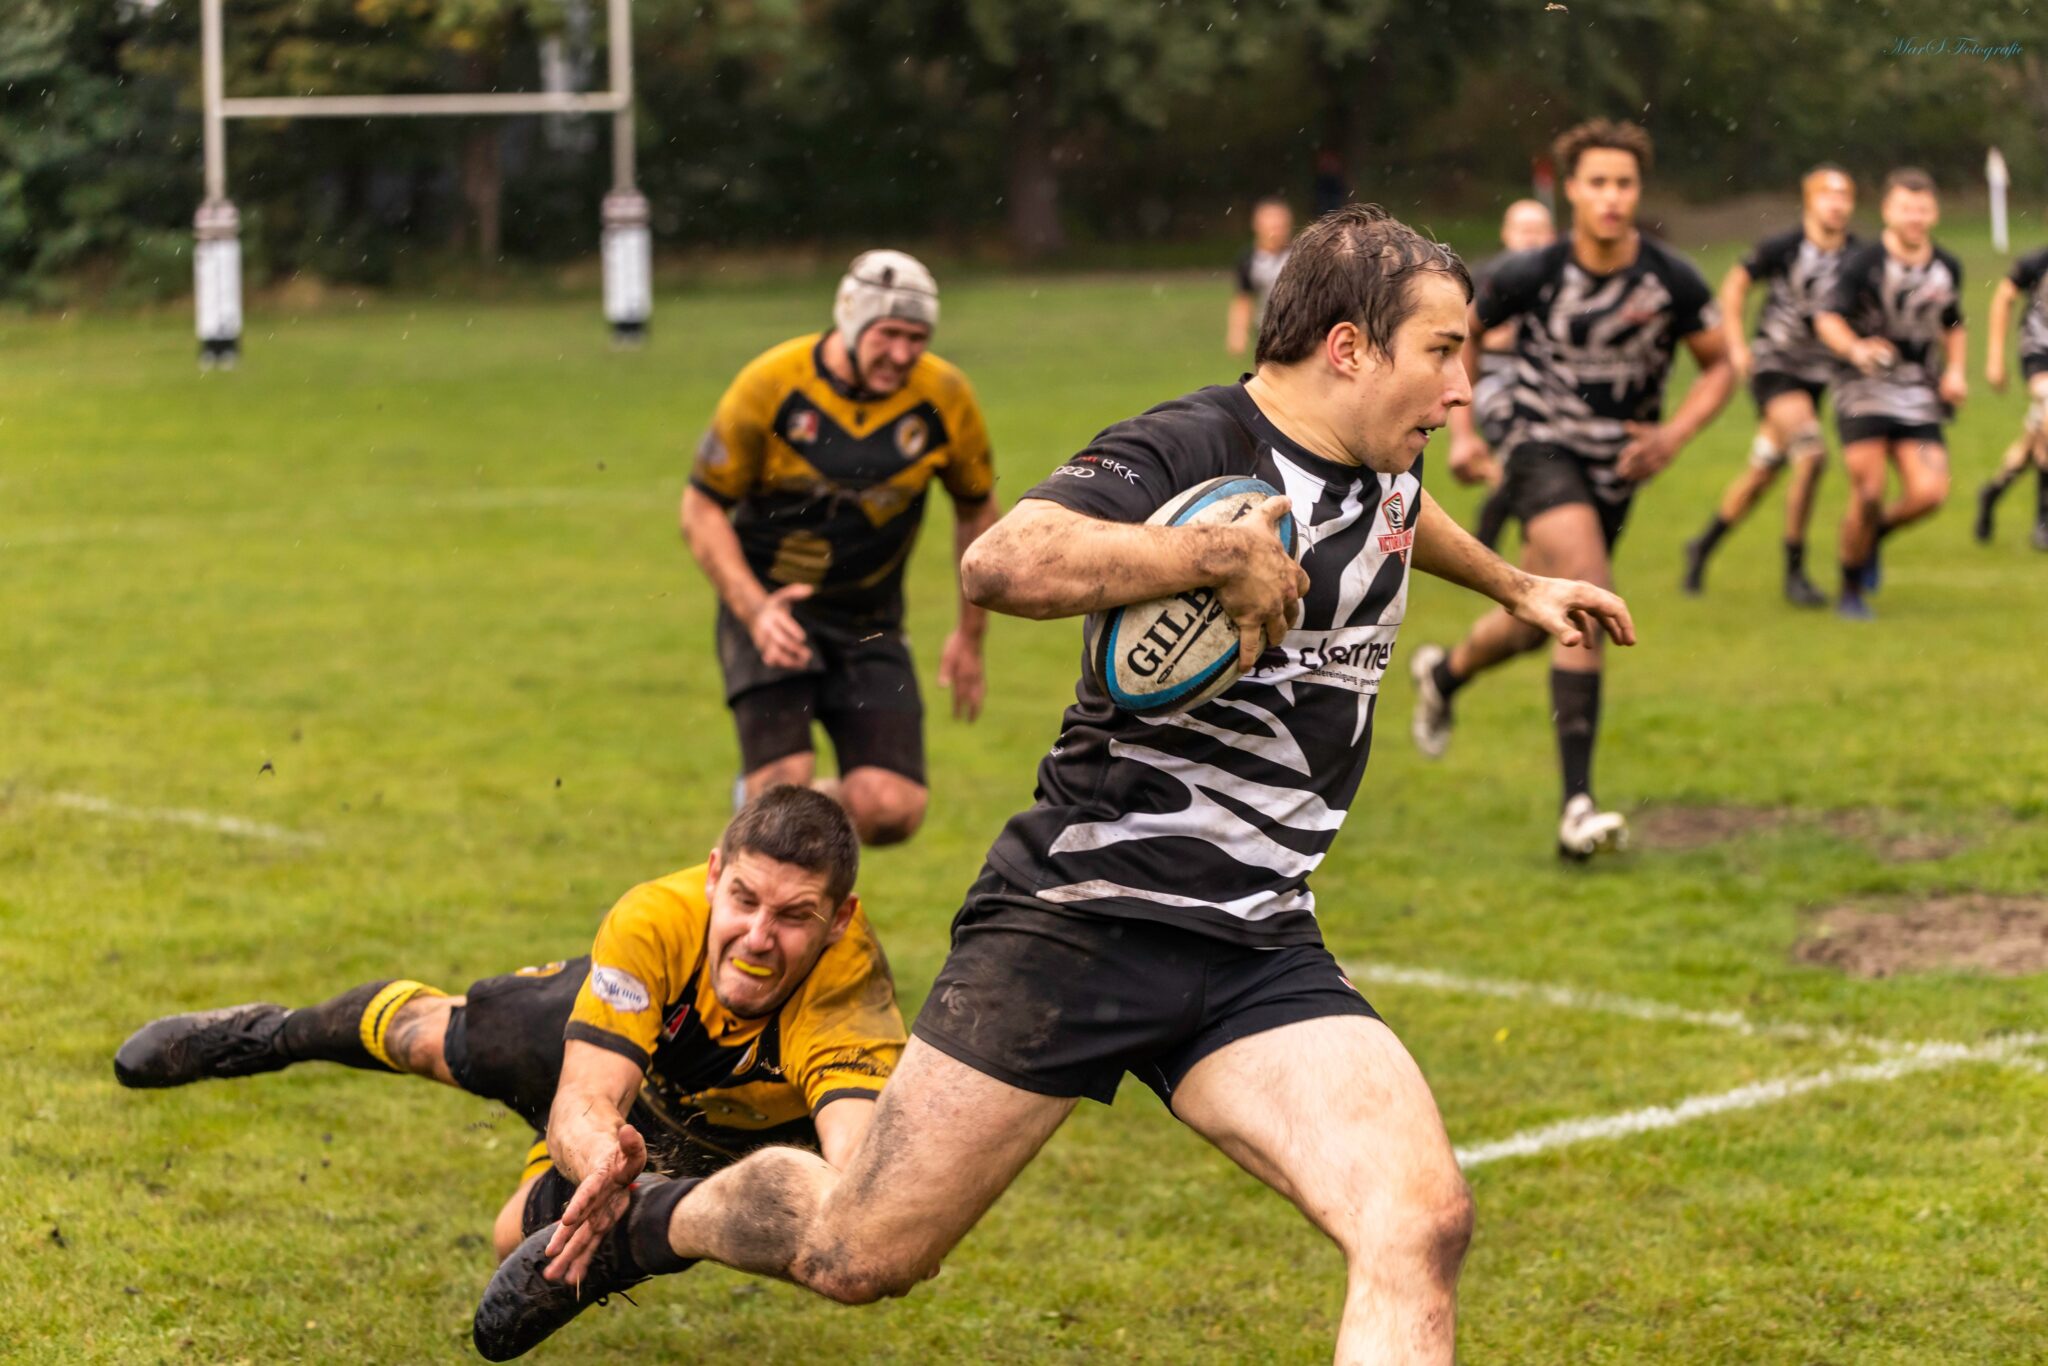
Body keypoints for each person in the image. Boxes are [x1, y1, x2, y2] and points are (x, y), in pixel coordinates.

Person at [471, 205, 1634, 1366]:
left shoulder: (1383, 458)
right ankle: (658, 1219)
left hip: (1253, 938)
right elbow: (1000, 560)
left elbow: (1392, 521)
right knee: (857, 1251)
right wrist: (1202, 554)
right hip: (1076, 918)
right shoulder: (1189, 446)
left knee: (1417, 1222)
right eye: (1442, 350)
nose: (1462, 386)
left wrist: (1515, 585)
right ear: (1346, 348)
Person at [114, 787, 902, 1268]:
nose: (760, 937)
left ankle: (602, 1208)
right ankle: (269, 1034)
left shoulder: (849, 998)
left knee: (511, 1246)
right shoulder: (655, 919)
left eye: (795, 916)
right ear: (710, 878)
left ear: (840, 920)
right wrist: (601, 1156)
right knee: (423, 1039)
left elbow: (859, 1166)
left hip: (705, 1131)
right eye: (743, 901)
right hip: (604, 1059)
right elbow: (584, 1100)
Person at [1410, 119, 1732, 859]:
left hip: (1616, 467)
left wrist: (1672, 437)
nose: (1612, 198)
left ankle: (1447, 676)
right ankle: (1578, 806)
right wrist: (1464, 432)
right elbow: (1462, 334)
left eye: (1624, 184)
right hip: (1538, 445)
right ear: (1571, 192)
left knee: (1537, 614)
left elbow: (1721, 366)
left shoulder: (1673, 279)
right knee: (1585, 584)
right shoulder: (1536, 272)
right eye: (1597, 183)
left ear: (1638, 190)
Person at [682, 250, 1002, 845]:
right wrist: (754, 610)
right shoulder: (771, 385)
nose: (903, 354)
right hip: (771, 611)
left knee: (891, 810)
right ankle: (771, 819)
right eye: (889, 335)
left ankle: (777, 815)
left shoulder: (944, 396)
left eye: (918, 337)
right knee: (783, 786)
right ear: (851, 321)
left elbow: (977, 509)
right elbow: (699, 509)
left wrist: (970, 635)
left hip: (870, 620)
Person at [1681, 166, 1859, 606]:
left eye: (1844, 196)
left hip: (1821, 375)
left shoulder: (1859, 254)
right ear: (1809, 202)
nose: (1836, 204)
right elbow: (1736, 285)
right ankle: (1795, 572)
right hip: (1775, 368)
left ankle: (1702, 546)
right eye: (1827, 195)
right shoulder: (1784, 247)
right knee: (1812, 455)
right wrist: (1738, 346)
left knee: (1763, 473)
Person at [1814, 169, 1967, 619]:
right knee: (1868, 491)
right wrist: (1855, 349)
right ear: (1887, 210)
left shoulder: (1946, 265)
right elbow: (1827, 319)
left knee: (1930, 494)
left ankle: (1871, 536)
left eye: (1922, 208)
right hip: (1862, 389)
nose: (1914, 217)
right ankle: (1849, 588)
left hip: (1918, 390)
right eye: (1905, 207)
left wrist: (1956, 371)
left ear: (1934, 212)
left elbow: (1953, 324)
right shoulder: (1863, 262)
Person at [1468, 199, 1559, 549]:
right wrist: (1496, 337)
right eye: (1524, 230)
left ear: (1552, 235)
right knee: (1524, 454)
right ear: (1507, 234)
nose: (1532, 239)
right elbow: (1460, 333)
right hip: (1494, 380)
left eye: (1539, 231)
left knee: (1527, 464)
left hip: (1546, 385)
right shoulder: (1486, 277)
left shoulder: (1563, 280)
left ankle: (1490, 542)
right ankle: (1519, 538)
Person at [1977, 241, 2048, 550]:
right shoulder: (2037, 261)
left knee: (2034, 440)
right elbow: (2004, 296)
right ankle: (2043, 522)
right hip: (2040, 352)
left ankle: (1994, 490)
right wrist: (1995, 356)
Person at [1226, 197, 1296, 356]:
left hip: (1297, 326)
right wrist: (1237, 332)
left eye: (1281, 226)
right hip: (1266, 328)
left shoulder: (1300, 254)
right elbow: (1244, 297)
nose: (1277, 232)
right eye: (1272, 226)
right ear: (1257, 226)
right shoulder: (1249, 259)